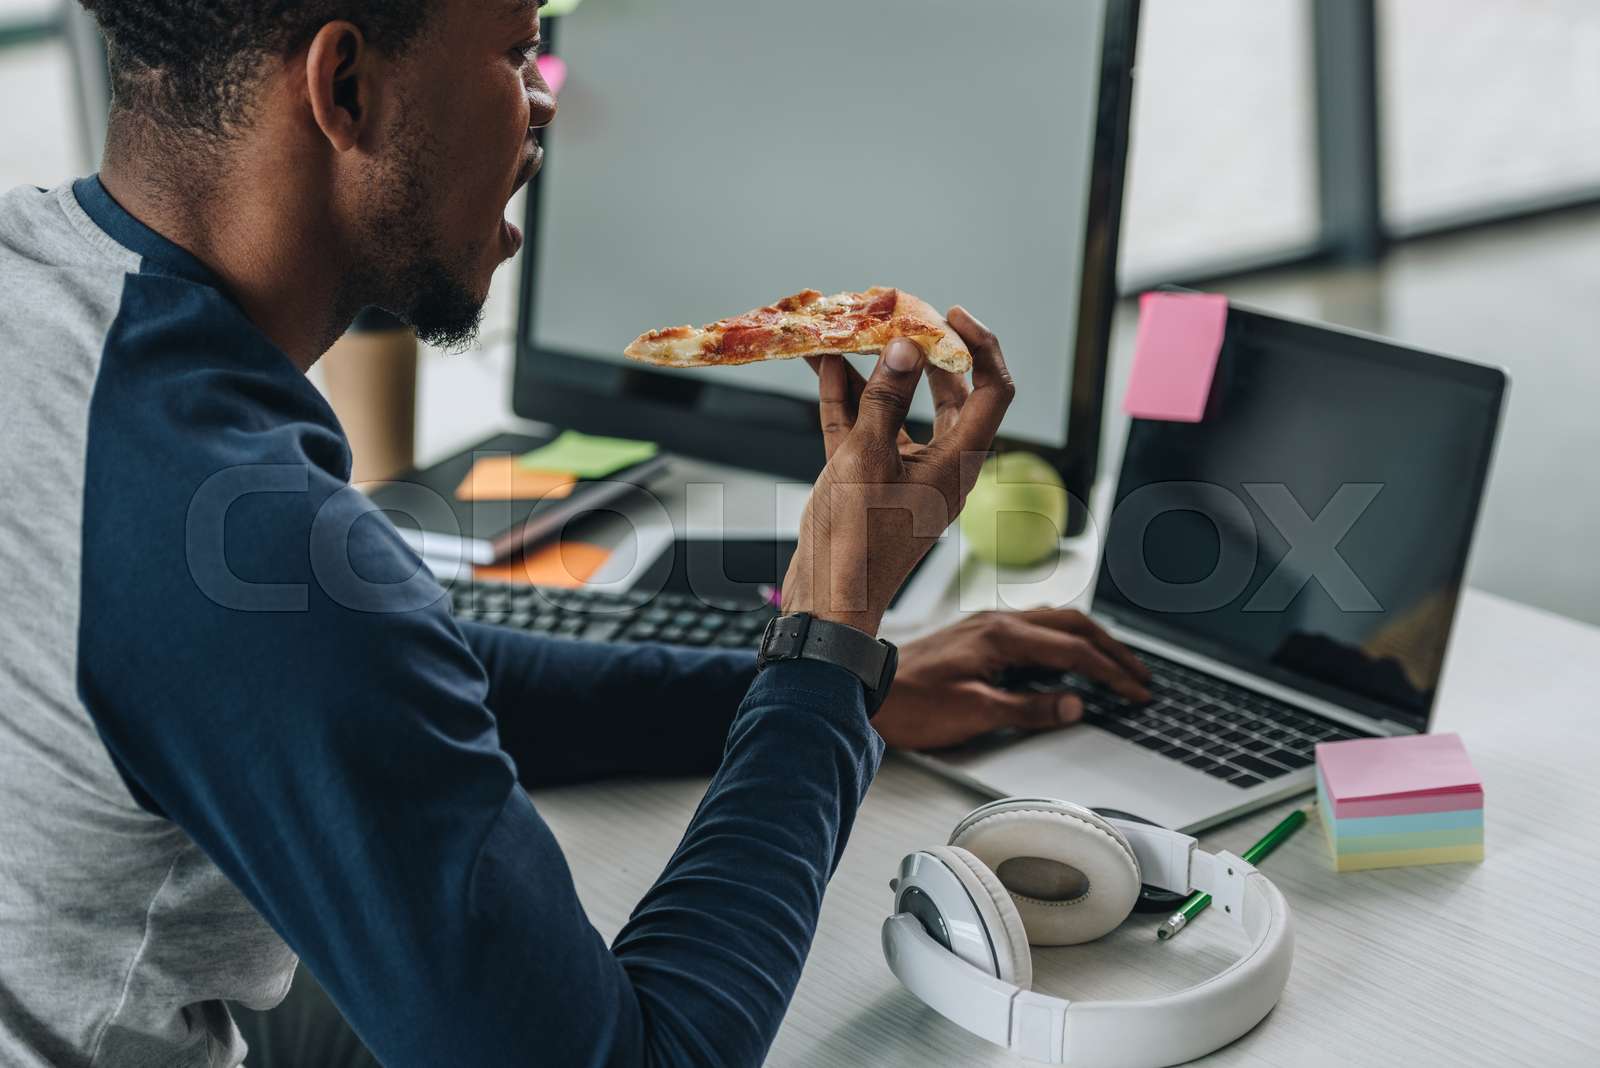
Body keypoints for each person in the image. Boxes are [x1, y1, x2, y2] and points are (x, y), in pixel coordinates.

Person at [0, 2, 1151, 1066]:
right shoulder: (244, 544)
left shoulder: (40, 296)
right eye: (513, 47)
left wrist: (820, 690)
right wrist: (835, 626)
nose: (548, 96)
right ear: (343, 88)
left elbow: (407, 674)